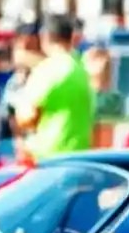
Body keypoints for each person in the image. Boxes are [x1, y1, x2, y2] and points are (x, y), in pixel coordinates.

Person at [13, 15, 94, 162]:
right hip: (80, 155)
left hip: (48, 157)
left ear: (44, 37)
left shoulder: (47, 70)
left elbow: (26, 118)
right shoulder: (81, 69)